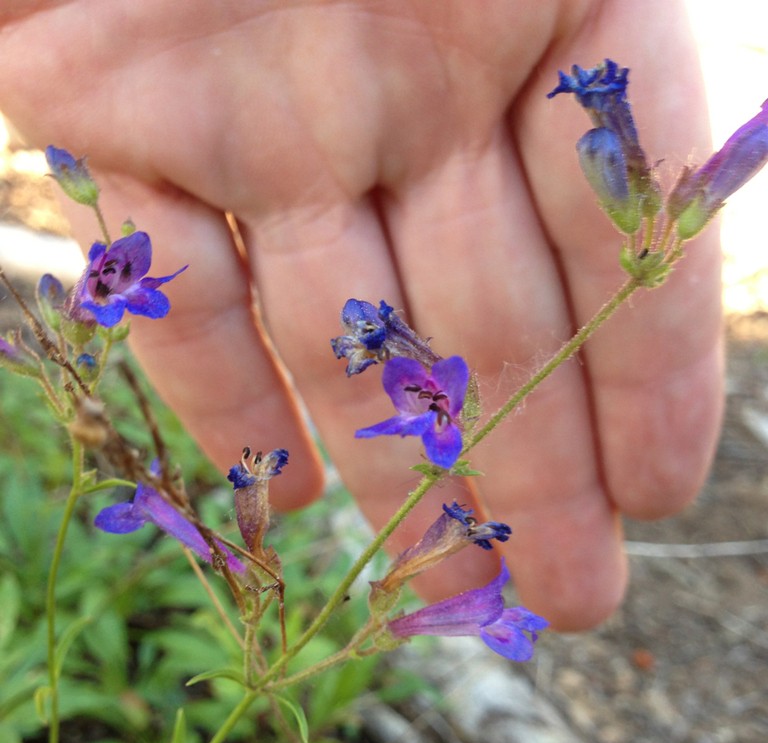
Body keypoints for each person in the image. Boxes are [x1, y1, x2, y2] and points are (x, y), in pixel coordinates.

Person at [0, 1, 722, 630]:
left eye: (432, 397)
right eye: (428, 395)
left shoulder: (440, 411)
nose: (430, 400)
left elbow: (442, 403)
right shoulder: (435, 411)